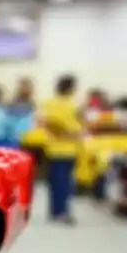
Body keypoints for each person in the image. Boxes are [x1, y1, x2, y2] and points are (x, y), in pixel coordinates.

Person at [39, 75, 83, 224]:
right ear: (70, 87)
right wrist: (68, 134)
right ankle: (62, 212)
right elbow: (50, 123)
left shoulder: (52, 103)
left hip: (56, 149)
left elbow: (46, 122)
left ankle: (55, 211)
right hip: (65, 148)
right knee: (63, 183)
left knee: (55, 182)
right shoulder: (70, 104)